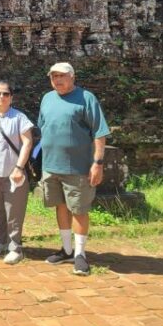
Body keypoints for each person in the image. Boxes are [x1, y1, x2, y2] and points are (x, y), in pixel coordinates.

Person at [38, 62, 110, 276]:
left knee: (79, 209)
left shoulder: (86, 98)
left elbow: (99, 132)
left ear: (72, 77)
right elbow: (43, 126)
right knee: (60, 206)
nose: (57, 80)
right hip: (51, 166)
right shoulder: (47, 98)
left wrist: (98, 163)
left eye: (62, 76)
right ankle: (67, 249)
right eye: (53, 77)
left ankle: (80, 254)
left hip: (78, 167)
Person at [0, 80, 33, 265]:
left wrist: (19, 168)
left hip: (14, 174)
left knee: (14, 211)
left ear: (11, 97)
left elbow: (27, 142)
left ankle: (15, 247)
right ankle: (1, 241)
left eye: (5, 94)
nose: (1, 97)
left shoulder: (19, 118)